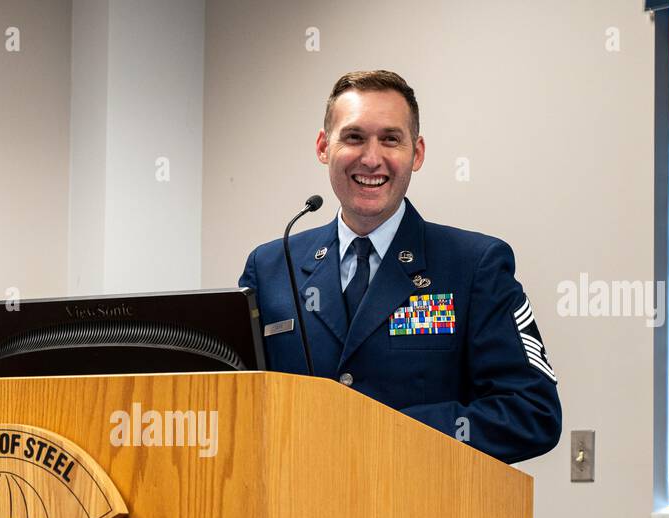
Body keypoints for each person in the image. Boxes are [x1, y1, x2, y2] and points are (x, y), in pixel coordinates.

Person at [239, 70, 562, 464]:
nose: (371, 159)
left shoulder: (474, 265)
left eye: (390, 139)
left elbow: (531, 411)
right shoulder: (271, 266)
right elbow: (242, 408)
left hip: (421, 515)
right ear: (324, 147)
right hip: (295, 516)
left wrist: (389, 433)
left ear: (417, 152)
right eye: (354, 137)